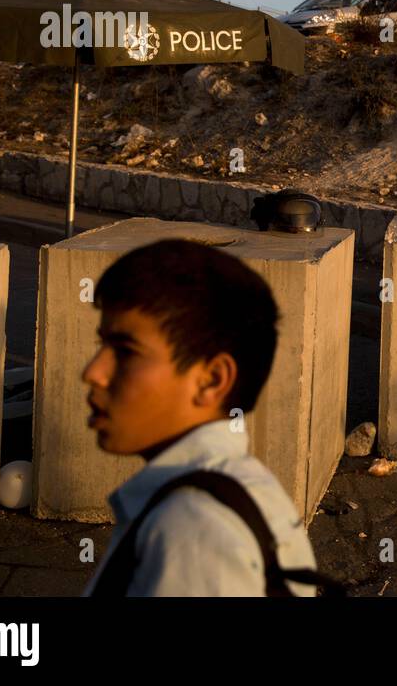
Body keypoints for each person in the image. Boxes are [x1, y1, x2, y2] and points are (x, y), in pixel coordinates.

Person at [81, 240, 322, 596]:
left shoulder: (194, 530)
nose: (93, 372)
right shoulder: (223, 489)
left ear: (211, 380)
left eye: (125, 352)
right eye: (101, 345)